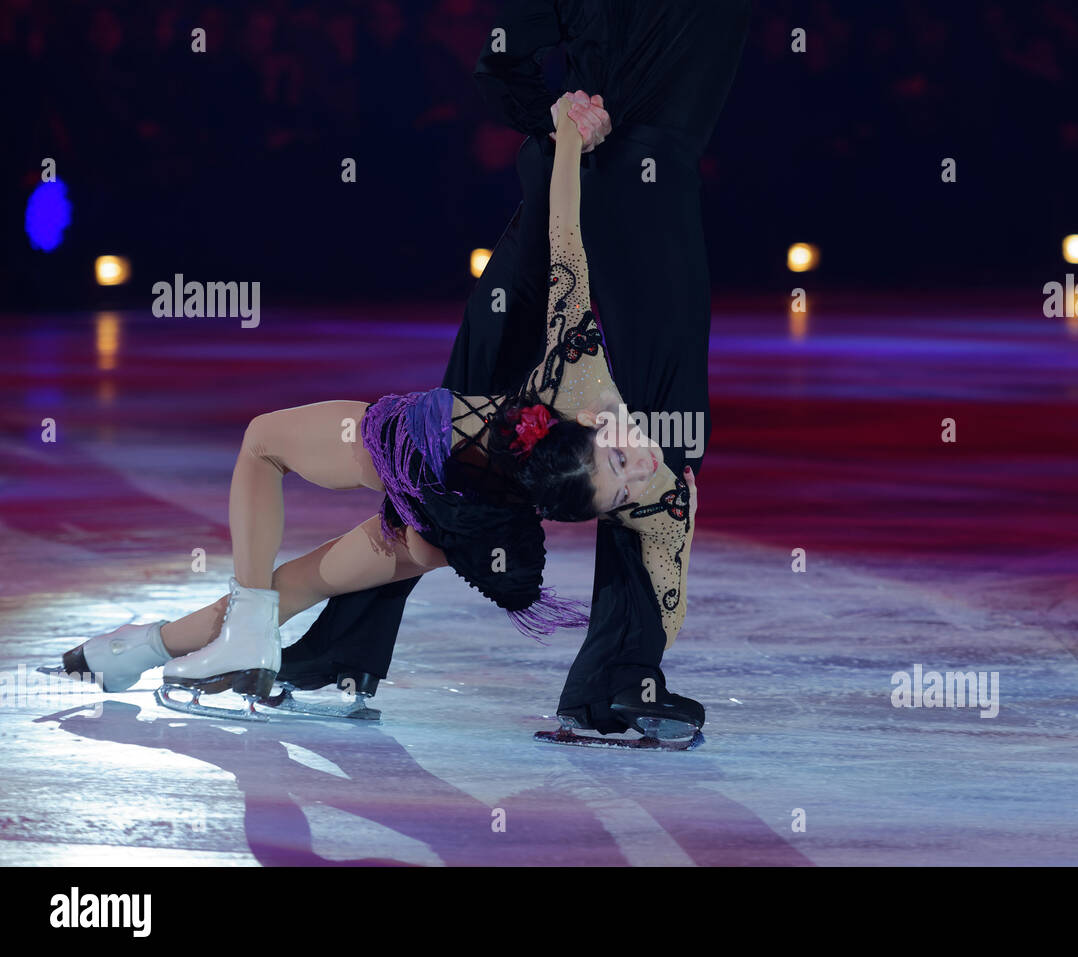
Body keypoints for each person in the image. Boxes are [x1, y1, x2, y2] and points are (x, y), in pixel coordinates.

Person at [59, 97, 700, 737]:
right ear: (577, 430)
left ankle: (231, 638)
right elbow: (567, 240)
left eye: (625, 483)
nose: (644, 464)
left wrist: (566, 136)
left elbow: (564, 240)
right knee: (299, 582)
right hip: (455, 522)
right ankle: (136, 650)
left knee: (262, 444)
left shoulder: (577, 377)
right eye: (622, 463)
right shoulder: (633, 458)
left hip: (412, 448)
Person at [278, 0, 751, 736]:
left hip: (564, 186)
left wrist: (560, 125)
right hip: (644, 196)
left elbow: (500, 60)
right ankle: (617, 680)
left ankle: (344, 649)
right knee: (661, 426)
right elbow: (501, 61)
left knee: (461, 421)